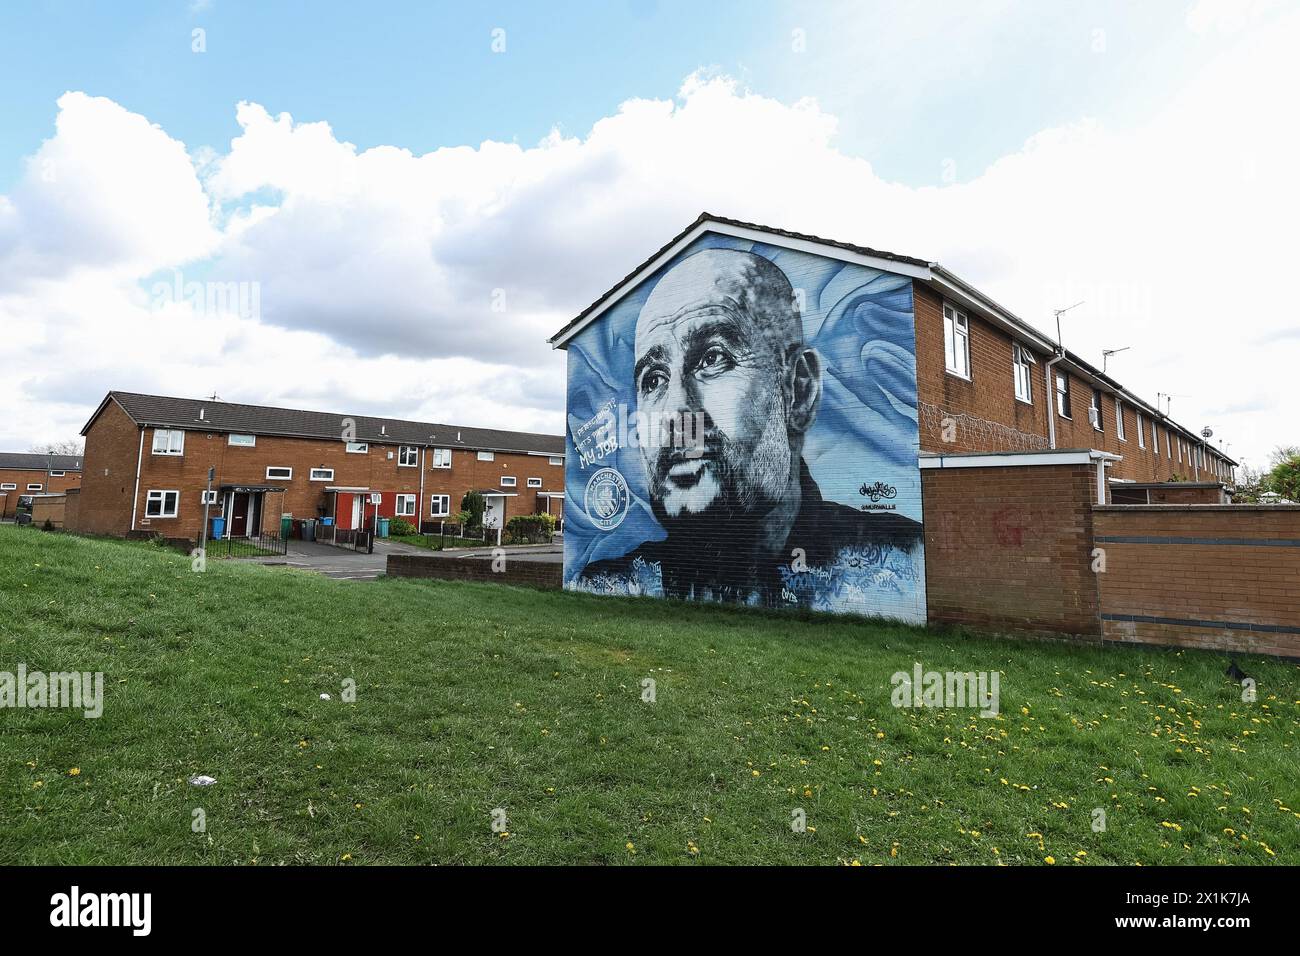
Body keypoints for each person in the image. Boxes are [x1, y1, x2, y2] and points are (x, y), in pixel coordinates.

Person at [574, 247, 922, 610]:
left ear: (798, 390)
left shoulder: (897, 558)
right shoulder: (613, 583)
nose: (674, 412)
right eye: (654, 379)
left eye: (713, 358)